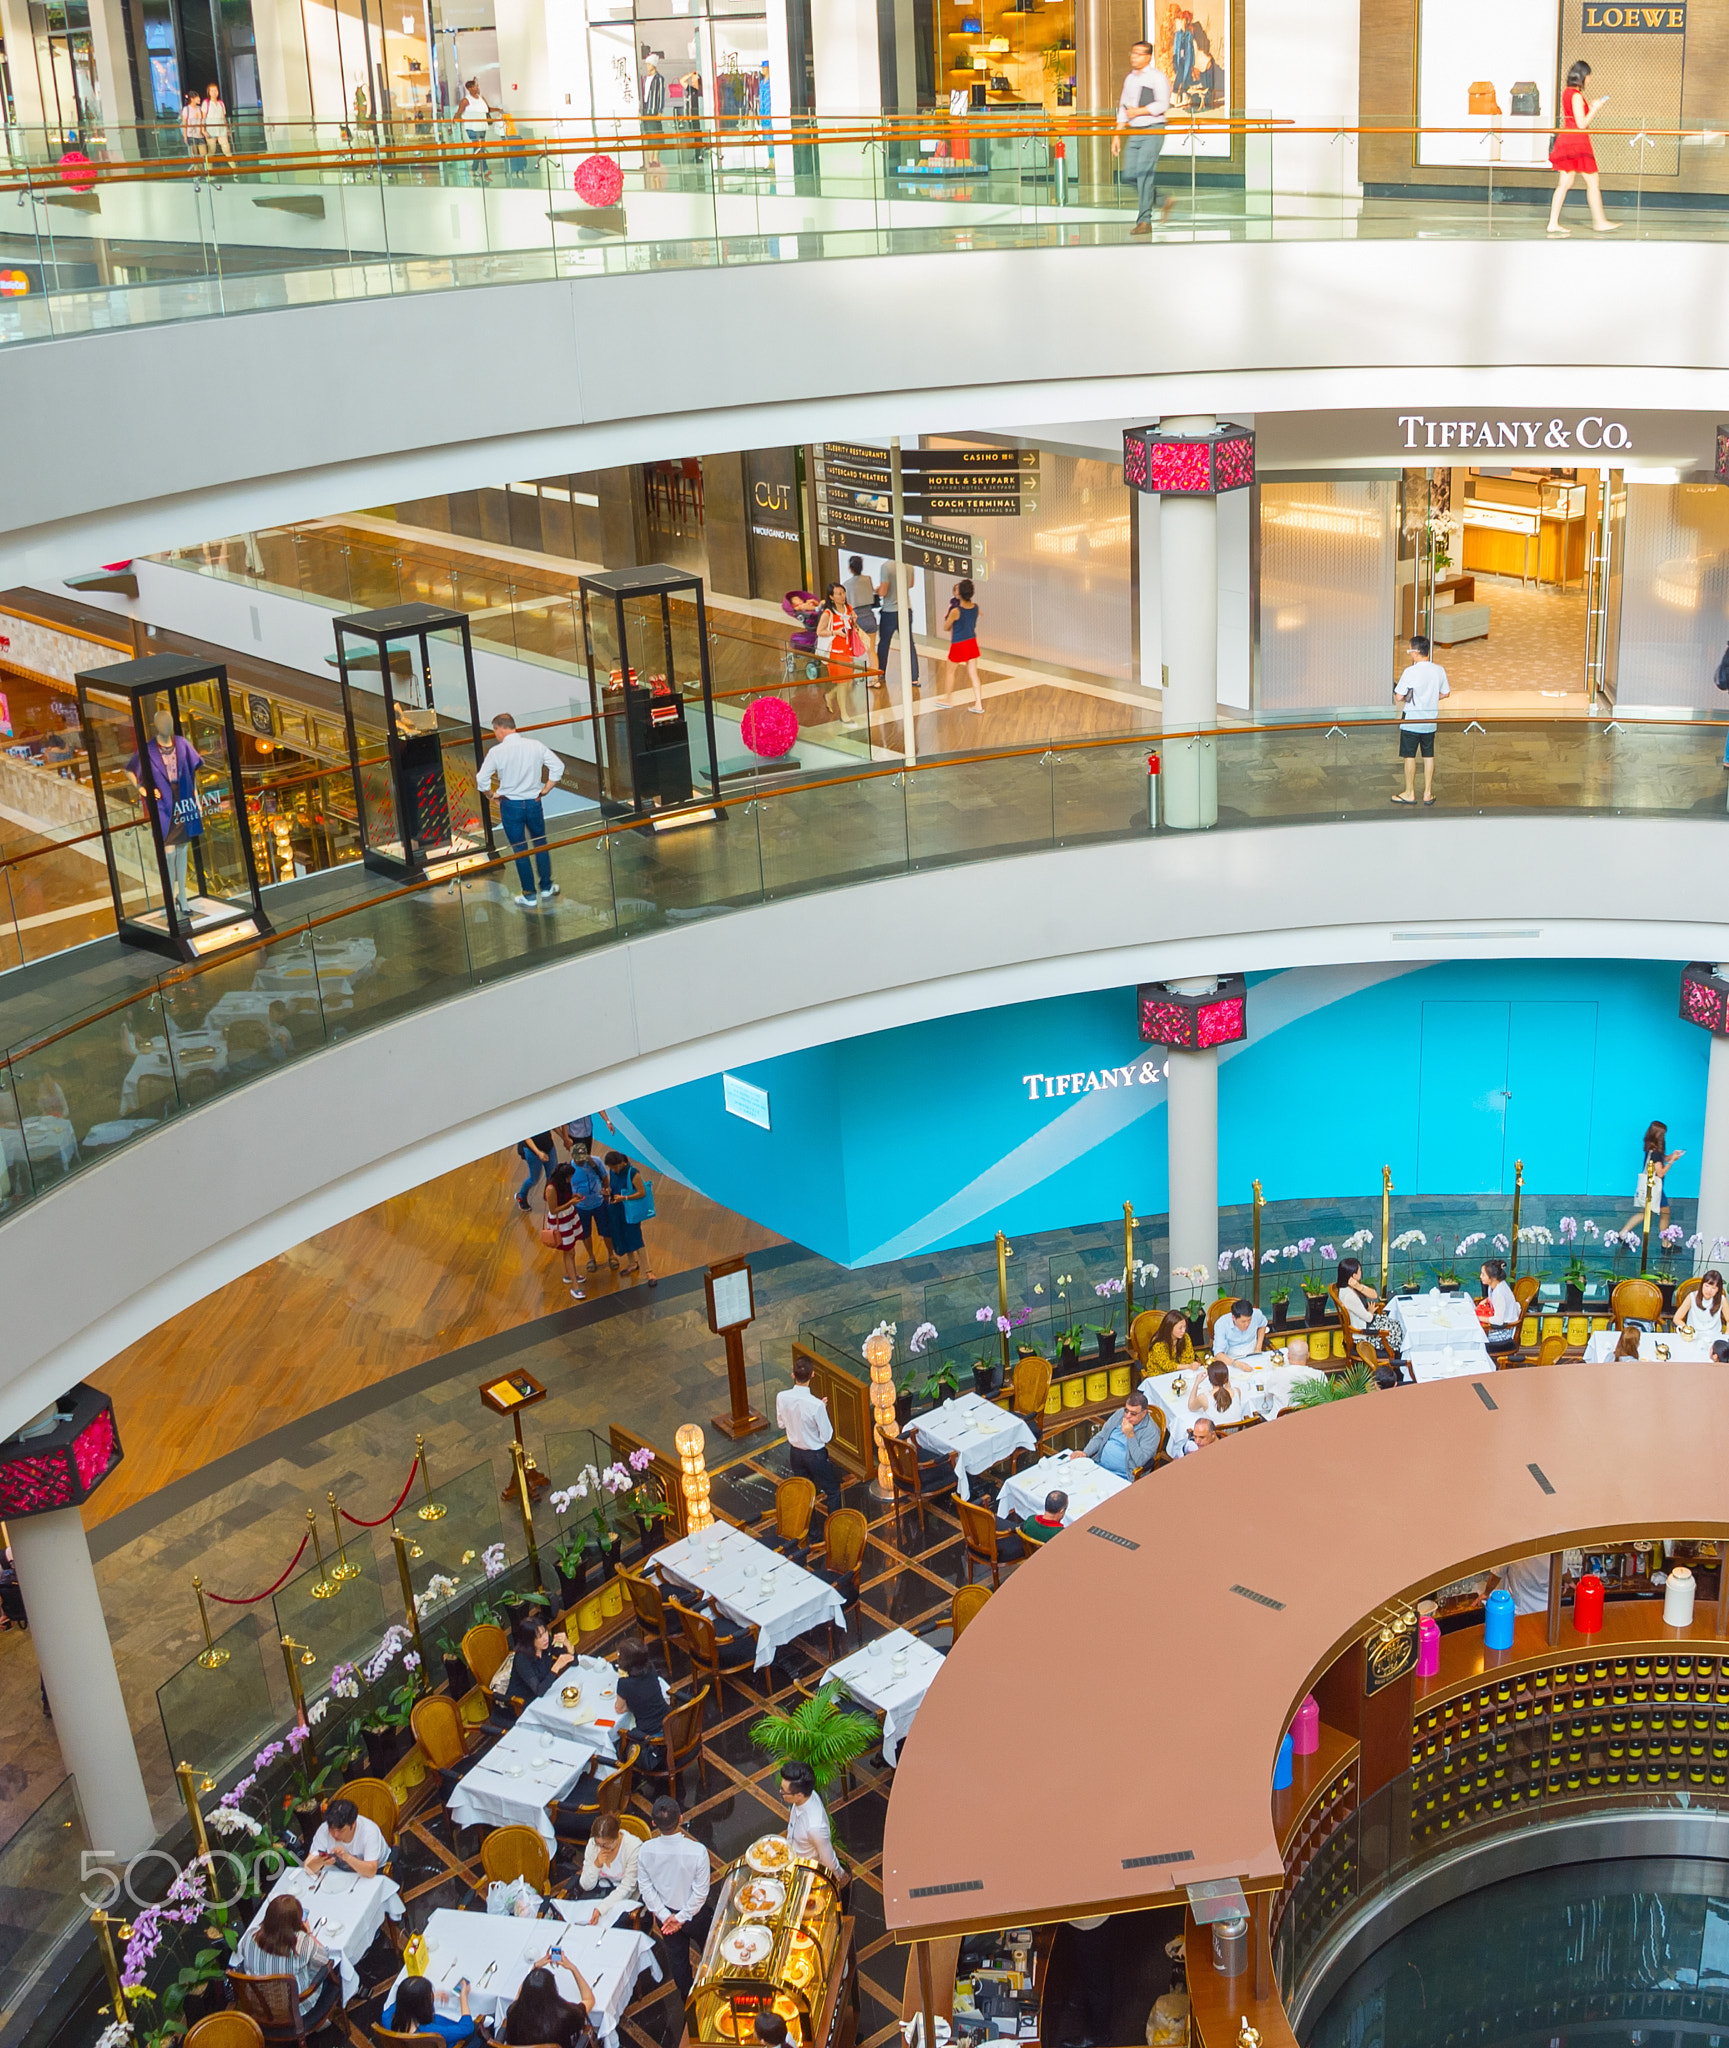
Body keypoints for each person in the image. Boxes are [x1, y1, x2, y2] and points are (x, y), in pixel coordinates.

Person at [125, 705, 203, 918]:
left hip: (184, 796)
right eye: (162, 722)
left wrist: (195, 795)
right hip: (162, 803)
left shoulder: (183, 744)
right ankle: (170, 895)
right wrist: (143, 789)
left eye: (169, 721)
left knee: (182, 851)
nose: (166, 726)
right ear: (156, 726)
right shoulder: (148, 750)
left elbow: (193, 770)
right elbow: (130, 770)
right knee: (169, 852)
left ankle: (183, 897)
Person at [478, 712, 562, 908]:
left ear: (500, 728)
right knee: (540, 843)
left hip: (510, 806)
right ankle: (547, 886)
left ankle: (529, 895)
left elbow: (481, 780)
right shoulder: (535, 745)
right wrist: (546, 789)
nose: (495, 735)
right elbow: (557, 766)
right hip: (534, 802)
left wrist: (491, 796)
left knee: (520, 850)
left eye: (494, 731)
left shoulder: (496, 752)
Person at [636, 1796, 713, 2008]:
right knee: (712, 1950)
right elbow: (700, 1893)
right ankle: (716, 1988)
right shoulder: (697, 1851)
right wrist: (681, 1918)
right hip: (695, 1915)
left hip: (666, 1917)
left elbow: (646, 1888)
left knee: (678, 1962)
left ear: (654, 1823)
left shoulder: (645, 1851)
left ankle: (689, 2003)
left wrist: (666, 1917)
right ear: (681, 1818)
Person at [234, 1895, 338, 2022]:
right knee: (327, 1972)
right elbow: (324, 1959)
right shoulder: (302, 1942)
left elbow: (244, 1956)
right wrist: (309, 1933)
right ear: (297, 1922)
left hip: (260, 2006)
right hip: (295, 2010)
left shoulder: (250, 1936)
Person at [1547, 61, 1619, 236]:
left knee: (1564, 184)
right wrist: (1595, 108)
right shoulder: (1577, 96)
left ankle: (1553, 223)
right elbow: (1581, 124)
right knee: (1593, 182)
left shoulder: (1567, 93)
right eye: (1588, 76)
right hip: (1577, 143)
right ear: (1583, 77)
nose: (1589, 79)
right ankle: (1599, 221)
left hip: (1566, 141)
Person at [1111, 39, 1173, 236]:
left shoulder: (1157, 78)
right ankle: (1163, 201)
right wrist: (1117, 134)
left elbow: (1162, 104)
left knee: (1144, 176)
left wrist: (1138, 112)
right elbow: (1123, 107)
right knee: (1129, 174)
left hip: (1153, 130)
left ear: (1148, 57)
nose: (1134, 57)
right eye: (1133, 53)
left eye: (1138, 54)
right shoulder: (1130, 79)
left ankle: (1144, 221)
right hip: (1135, 132)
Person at [775, 1357, 841, 1517]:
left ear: (793, 1375)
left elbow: (781, 1424)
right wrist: (821, 1410)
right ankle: (833, 1531)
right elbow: (826, 1436)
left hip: (795, 1453)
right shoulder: (816, 1405)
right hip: (815, 1455)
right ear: (813, 1375)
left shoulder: (781, 1397)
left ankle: (811, 1534)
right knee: (833, 1492)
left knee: (804, 1493)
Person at [1393, 634, 1449, 806]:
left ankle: (1410, 792)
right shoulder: (1439, 670)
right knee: (1428, 755)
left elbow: (1399, 696)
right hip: (1430, 721)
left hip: (1411, 721)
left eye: (1410, 650)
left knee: (1409, 755)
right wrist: (1432, 698)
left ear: (1416, 652)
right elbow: (1445, 693)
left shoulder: (1410, 672)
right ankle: (1427, 793)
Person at [498, 1962, 595, 2048]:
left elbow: (519, 1997)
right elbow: (589, 1999)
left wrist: (534, 1968)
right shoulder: (566, 2015)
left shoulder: (514, 2012)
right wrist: (573, 1968)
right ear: (552, 1990)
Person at [596, 1149, 655, 1285]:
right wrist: (608, 1191)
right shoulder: (613, 1171)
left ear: (621, 1163)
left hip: (629, 1210)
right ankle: (632, 1263)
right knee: (622, 1235)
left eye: (615, 1167)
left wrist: (625, 1197)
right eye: (611, 1168)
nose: (614, 1170)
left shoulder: (633, 1173)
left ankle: (649, 1271)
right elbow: (613, 1187)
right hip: (616, 1210)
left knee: (636, 1238)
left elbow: (642, 1193)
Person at [779, 1758, 843, 1879]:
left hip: (805, 1873)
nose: (780, 1792)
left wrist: (841, 1879)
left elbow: (830, 1862)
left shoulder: (815, 1828)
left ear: (798, 1795)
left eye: (783, 1791)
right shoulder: (806, 1796)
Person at [614, 1636, 671, 1764]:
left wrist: (634, 1702)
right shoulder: (651, 1669)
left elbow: (619, 1708)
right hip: (669, 1723)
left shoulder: (624, 1683)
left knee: (617, 1743)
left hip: (651, 1735)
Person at [1083, 1390, 1161, 1479]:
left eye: (1133, 1413)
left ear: (1144, 1413)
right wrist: (1085, 1453)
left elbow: (1140, 1461)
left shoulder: (1151, 1431)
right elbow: (1101, 1436)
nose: (1127, 1416)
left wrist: (1130, 1436)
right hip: (1100, 1466)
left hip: (1124, 1476)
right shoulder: (1120, 1414)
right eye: (1126, 1410)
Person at [1625, 1120, 1685, 1235]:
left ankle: (1622, 1234)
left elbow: (1661, 1160)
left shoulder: (1651, 1149)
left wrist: (1672, 1156)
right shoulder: (1656, 1153)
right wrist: (1672, 1161)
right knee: (1665, 1213)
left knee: (1645, 1213)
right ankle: (1665, 1242)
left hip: (1651, 1187)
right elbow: (1660, 1172)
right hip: (1654, 1188)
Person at [385, 1973, 480, 2045]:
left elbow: (404, 2001)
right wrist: (463, 1997)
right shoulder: (432, 2032)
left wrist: (426, 1997)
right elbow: (467, 2028)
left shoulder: (387, 2017)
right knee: (476, 2030)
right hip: (447, 2042)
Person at [306, 1794, 388, 1876]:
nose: (335, 1835)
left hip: (377, 1869)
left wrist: (346, 1857)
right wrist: (318, 1861)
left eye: (340, 1830)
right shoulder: (323, 1830)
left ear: (353, 1824)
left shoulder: (369, 1831)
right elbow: (307, 1868)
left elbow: (370, 1872)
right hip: (341, 1870)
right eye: (331, 1829)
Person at [815, 582, 863, 725]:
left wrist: (854, 621)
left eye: (843, 593)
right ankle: (844, 714)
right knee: (843, 684)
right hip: (835, 653)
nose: (842, 596)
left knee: (848, 683)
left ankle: (829, 696)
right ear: (831, 597)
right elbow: (819, 631)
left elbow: (851, 627)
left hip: (848, 651)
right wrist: (834, 632)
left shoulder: (848, 608)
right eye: (838, 594)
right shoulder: (828, 613)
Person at [576, 1811, 641, 1912]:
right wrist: (596, 1865)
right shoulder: (593, 1845)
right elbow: (585, 1885)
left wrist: (602, 1908)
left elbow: (628, 1887)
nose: (602, 1848)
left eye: (607, 1844)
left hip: (622, 1897)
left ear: (618, 1835)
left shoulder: (632, 1847)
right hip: (597, 1891)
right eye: (598, 1843)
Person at [543, 1162, 588, 1302]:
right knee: (569, 1251)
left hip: (569, 1216)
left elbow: (565, 1196)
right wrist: (571, 1203)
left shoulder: (563, 1183)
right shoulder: (551, 1188)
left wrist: (573, 1196)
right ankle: (575, 1286)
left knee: (570, 1250)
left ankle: (570, 1275)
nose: (571, 1180)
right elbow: (553, 1210)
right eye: (569, 1177)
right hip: (561, 1221)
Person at [508, 1612, 575, 1701]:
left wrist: (567, 1644)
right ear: (529, 1640)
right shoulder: (522, 1659)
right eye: (539, 1636)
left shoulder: (546, 1643)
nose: (545, 1638)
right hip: (524, 1702)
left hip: (548, 1691)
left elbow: (574, 1662)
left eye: (545, 1632)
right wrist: (556, 1666)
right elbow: (539, 1691)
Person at [873, 568, 919, 692]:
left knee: (884, 643)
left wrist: (877, 590)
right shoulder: (908, 564)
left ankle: (880, 673)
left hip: (890, 611)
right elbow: (911, 584)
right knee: (909, 643)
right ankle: (914, 677)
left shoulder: (886, 567)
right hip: (906, 609)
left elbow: (883, 592)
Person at [943, 579, 984, 714]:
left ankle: (947, 699)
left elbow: (946, 627)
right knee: (973, 674)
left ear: (959, 593)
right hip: (972, 642)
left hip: (958, 644)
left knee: (950, 672)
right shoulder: (976, 607)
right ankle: (978, 703)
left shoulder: (955, 611)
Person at [1479, 1258, 1522, 1360]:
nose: (1481, 1276)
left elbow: (1498, 1321)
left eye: (1483, 1274)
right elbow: (1493, 1299)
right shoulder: (1496, 1285)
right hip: (1502, 1326)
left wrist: (1478, 1318)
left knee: (1476, 1338)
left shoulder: (1499, 1293)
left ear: (1493, 1277)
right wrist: (1486, 1301)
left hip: (1504, 1332)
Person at [1336, 1258, 1382, 1342]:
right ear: (1354, 1275)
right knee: (1396, 1330)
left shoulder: (1352, 1286)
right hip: (1363, 1333)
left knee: (1396, 1323)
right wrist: (1371, 1311)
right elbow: (1368, 1318)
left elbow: (1374, 1295)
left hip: (1366, 1323)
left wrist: (1358, 1286)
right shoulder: (1349, 1296)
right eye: (1360, 1270)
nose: (1361, 1272)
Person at [1213, 1297, 1268, 1361]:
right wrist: (1236, 1363)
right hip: (1231, 1358)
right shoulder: (1222, 1324)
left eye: (1249, 1320)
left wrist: (1258, 1348)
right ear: (1233, 1318)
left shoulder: (1256, 1314)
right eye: (1243, 1321)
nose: (1247, 1324)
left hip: (1253, 1353)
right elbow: (1218, 1354)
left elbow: (1262, 1325)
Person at [1144, 1309, 1195, 1376]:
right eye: (1180, 1328)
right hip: (1159, 1375)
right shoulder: (1158, 1343)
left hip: (1179, 1373)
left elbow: (1189, 1358)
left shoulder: (1185, 1337)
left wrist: (1187, 1366)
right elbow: (1166, 1365)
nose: (1183, 1331)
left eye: (1184, 1327)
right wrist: (1188, 1366)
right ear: (1170, 1327)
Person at [458, 80, 491, 182]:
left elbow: (488, 109)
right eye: (475, 86)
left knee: (480, 147)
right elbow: (459, 112)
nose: (477, 88)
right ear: (470, 88)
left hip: (482, 126)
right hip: (472, 127)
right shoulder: (466, 101)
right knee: (478, 147)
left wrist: (498, 110)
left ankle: (478, 169)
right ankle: (481, 169)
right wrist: (454, 122)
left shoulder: (481, 98)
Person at [515, 1129, 556, 1211]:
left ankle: (548, 1196)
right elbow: (526, 1136)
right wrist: (538, 1152)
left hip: (548, 1145)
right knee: (534, 1179)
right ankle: (521, 1196)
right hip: (532, 1151)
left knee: (553, 1175)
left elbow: (553, 1124)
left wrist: (564, 1137)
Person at [1680, 1271, 1727, 1343]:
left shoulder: (1722, 1299)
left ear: (1718, 1289)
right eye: (1706, 1286)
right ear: (1702, 1285)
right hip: (1694, 1337)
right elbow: (1677, 1318)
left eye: (1713, 1288)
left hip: (1714, 1338)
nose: (1709, 1290)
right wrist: (1688, 1330)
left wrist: (1725, 1337)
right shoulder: (1692, 1296)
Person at [202, 82, 235, 173]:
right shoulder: (206, 103)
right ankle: (209, 171)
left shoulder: (221, 103)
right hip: (211, 130)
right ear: (208, 92)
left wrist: (227, 129)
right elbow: (203, 117)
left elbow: (223, 117)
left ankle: (235, 170)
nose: (214, 92)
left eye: (215, 90)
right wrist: (203, 129)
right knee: (212, 150)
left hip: (221, 130)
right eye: (212, 91)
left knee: (227, 149)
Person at [843, 556, 877, 635]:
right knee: (871, 646)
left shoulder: (846, 584)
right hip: (869, 616)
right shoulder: (868, 579)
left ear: (850, 568)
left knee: (857, 646)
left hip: (856, 617)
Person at [181, 88, 206, 162]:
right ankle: (197, 171)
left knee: (204, 155)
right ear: (192, 99)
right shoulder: (186, 109)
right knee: (194, 156)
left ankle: (204, 171)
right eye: (197, 97)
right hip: (191, 135)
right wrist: (185, 136)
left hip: (200, 135)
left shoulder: (199, 108)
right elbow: (184, 123)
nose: (199, 99)